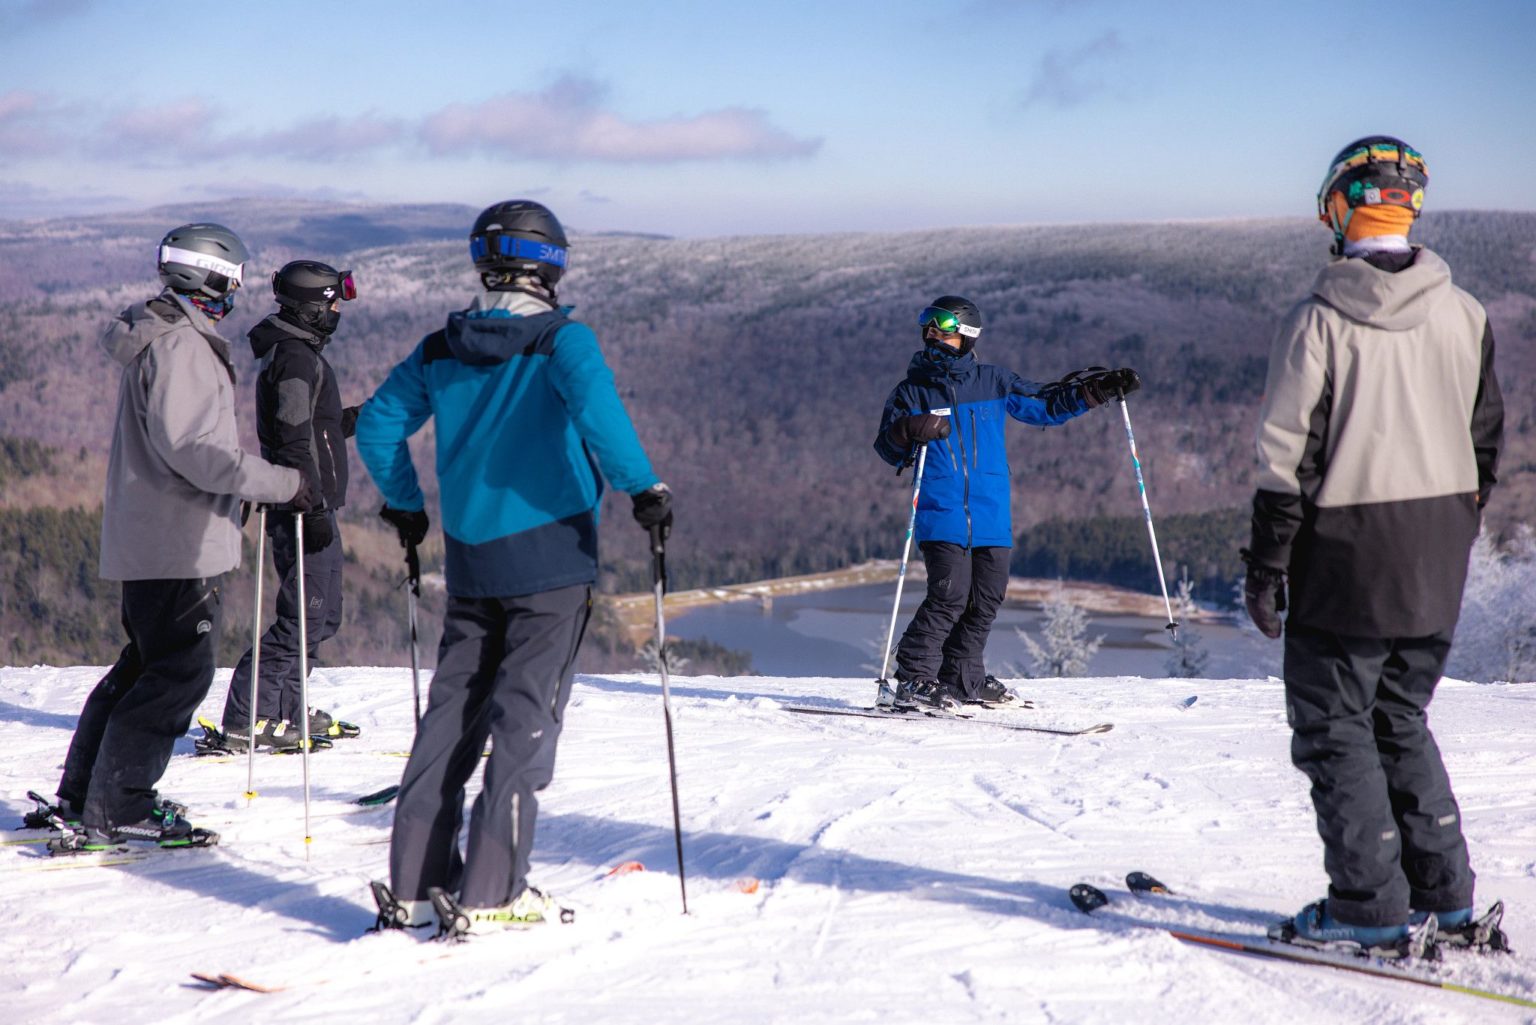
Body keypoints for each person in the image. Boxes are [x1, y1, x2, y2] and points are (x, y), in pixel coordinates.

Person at [356, 200, 671, 932]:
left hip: (471, 562)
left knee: (452, 717)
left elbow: (376, 424)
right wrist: (644, 490)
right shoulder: (563, 341)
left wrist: (406, 504)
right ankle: (492, 892)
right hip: (552, 560)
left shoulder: (440, 346)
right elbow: (601, 418)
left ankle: (413, 882)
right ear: (552, 266)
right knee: (524, 722)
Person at [1244, 137, 1505, 957]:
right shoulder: (1466, 313)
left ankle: (1368, 905)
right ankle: (1446, 897)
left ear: (1338, 209)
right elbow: (1486, 442)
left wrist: (1266, 565)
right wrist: (1452, 529)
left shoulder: (1318, 319)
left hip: (1347, 554)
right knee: (1400, 714)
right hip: (1437, 553)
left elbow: (1286, 455)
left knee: (1335, 723)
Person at [50, 224, 311, 852]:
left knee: (144, 664)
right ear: (209, 277)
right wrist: (282, 483)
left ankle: (87, 792)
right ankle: (121, 804)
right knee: (178, 675)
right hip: (179, 539)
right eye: (233, 280)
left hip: (154, 534)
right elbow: (197, 452)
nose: (238, 293)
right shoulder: (183, 348)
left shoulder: (161, 337)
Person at [873, 295, 1139, 710]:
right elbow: (888, 450)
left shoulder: (993, 382)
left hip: (991, 513)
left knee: (987, 597)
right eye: (927, 326)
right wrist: (908, 429)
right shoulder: (911, 392)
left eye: (941, 327)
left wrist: (1096, 392)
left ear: (965, 334)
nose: (931, 334)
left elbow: (1046, 406)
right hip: (941, 512)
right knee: (949, 595)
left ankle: (964, 677)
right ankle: (913, 678)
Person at [217, 260, 362, 752]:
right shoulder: (295, 358)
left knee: (323, 615)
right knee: (303, 617)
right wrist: (312, 507)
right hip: (301, 508)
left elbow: (312, 429)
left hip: (311, 504)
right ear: (311, 306)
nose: (337, 310)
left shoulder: (299, 354)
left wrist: (357, 419)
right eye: (332, 302)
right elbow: (294, 440)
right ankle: (249, 717)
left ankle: (288, 712)